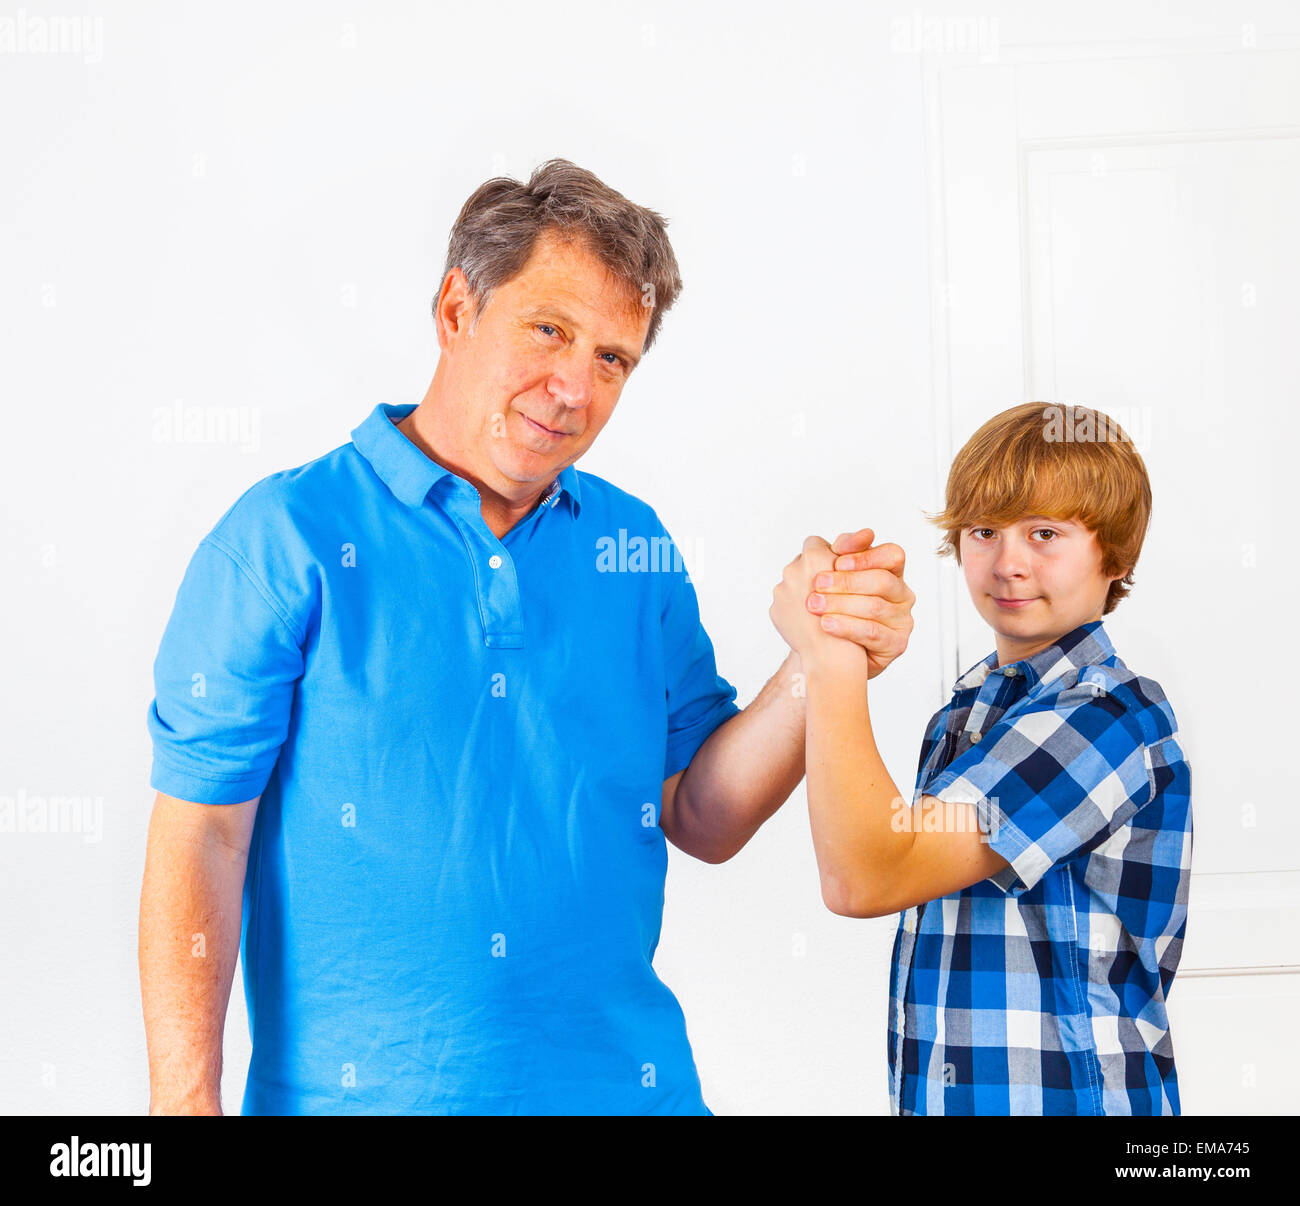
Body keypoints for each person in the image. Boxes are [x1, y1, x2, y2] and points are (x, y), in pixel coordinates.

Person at [139, 158, 917, 1115]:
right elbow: (204, 833)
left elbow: (703, 817)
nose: (573, 387)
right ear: (456, 311)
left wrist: (819, 660)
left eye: (611, 358)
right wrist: (182, 1107)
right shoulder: (283, 538)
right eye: (549, 330)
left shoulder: (632, 547)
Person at [770, 401, 1192, 1115]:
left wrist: (831, 656)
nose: (1008, 563)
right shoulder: (966, 711)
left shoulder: (1108, 713)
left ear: (1114, 555)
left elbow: (865, 875)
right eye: (984, 531)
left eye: (1046, 534)